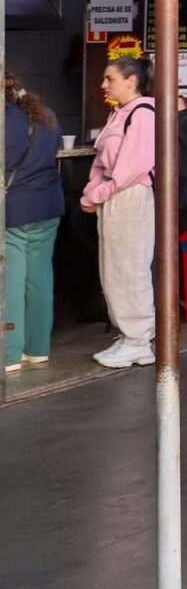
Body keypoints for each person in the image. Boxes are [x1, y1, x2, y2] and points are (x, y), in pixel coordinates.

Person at [80, 56, 156, 368]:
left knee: (130, 267)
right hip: (113, 196)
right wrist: (92, 189)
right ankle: (128, 336)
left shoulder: (143, 113)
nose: (104, 84)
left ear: (131, 81)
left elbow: (130, 168)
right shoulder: (119, 113)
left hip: (129, 195)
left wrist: (97, 192)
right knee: (112, 268)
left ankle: (139, 340)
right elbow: (102, 161)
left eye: (109, 78)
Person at [5, 68, 62, 374]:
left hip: (15, 211)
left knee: (10, 283)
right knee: (39, 278)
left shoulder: (5, 120)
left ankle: (9, 356)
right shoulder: (47, 114)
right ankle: (37, 349)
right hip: (48, 206)